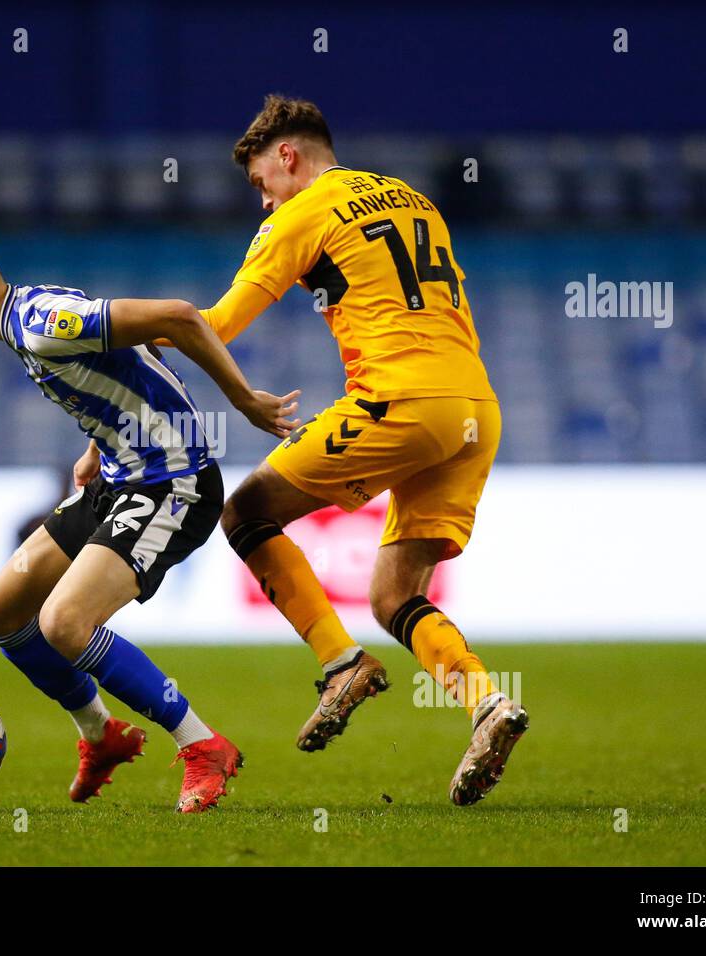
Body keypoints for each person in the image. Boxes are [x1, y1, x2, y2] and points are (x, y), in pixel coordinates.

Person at [199, 95, 528, 805]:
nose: (263, 203)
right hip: (473, 407)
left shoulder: (304, 210)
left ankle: (339, 663)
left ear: (288, 156)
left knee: (246, 512)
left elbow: (217, 324)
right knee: (393, 594)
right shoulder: (413, 198)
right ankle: (487, 703)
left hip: (401, 401)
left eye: (261, 182)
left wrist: (116, 335)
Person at [0, 224, 299, 812]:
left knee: (64, 622)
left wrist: (242, 399)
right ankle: (100, 734)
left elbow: (180, 318)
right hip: (116, 477)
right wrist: (98, 443)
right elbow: (125, 360)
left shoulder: (41, 325)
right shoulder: (27, 318)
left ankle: (202, 745)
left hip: (172, 480)